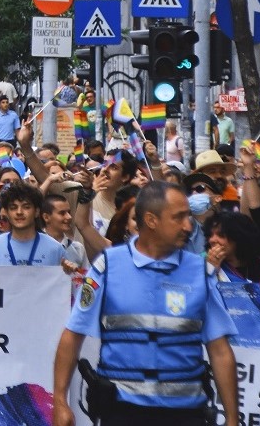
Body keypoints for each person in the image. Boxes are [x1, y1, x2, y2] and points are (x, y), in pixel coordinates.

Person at [52, 182, 240, 426]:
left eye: (188, 216)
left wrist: (233, 419)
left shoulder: (199, 272)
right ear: (151, 220)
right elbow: (73, 335)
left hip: (186, 414)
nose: (188, 225)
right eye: (179, 217)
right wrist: (60, 401)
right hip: (122, 413)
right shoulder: (107, 267)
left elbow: (220, 350)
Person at [0, 183, 66, 267]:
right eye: (13, 208)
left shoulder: (55, 249)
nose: (19, 212)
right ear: (7, 213)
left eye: (26, 207)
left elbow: (66, 280)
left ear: (37, 212)